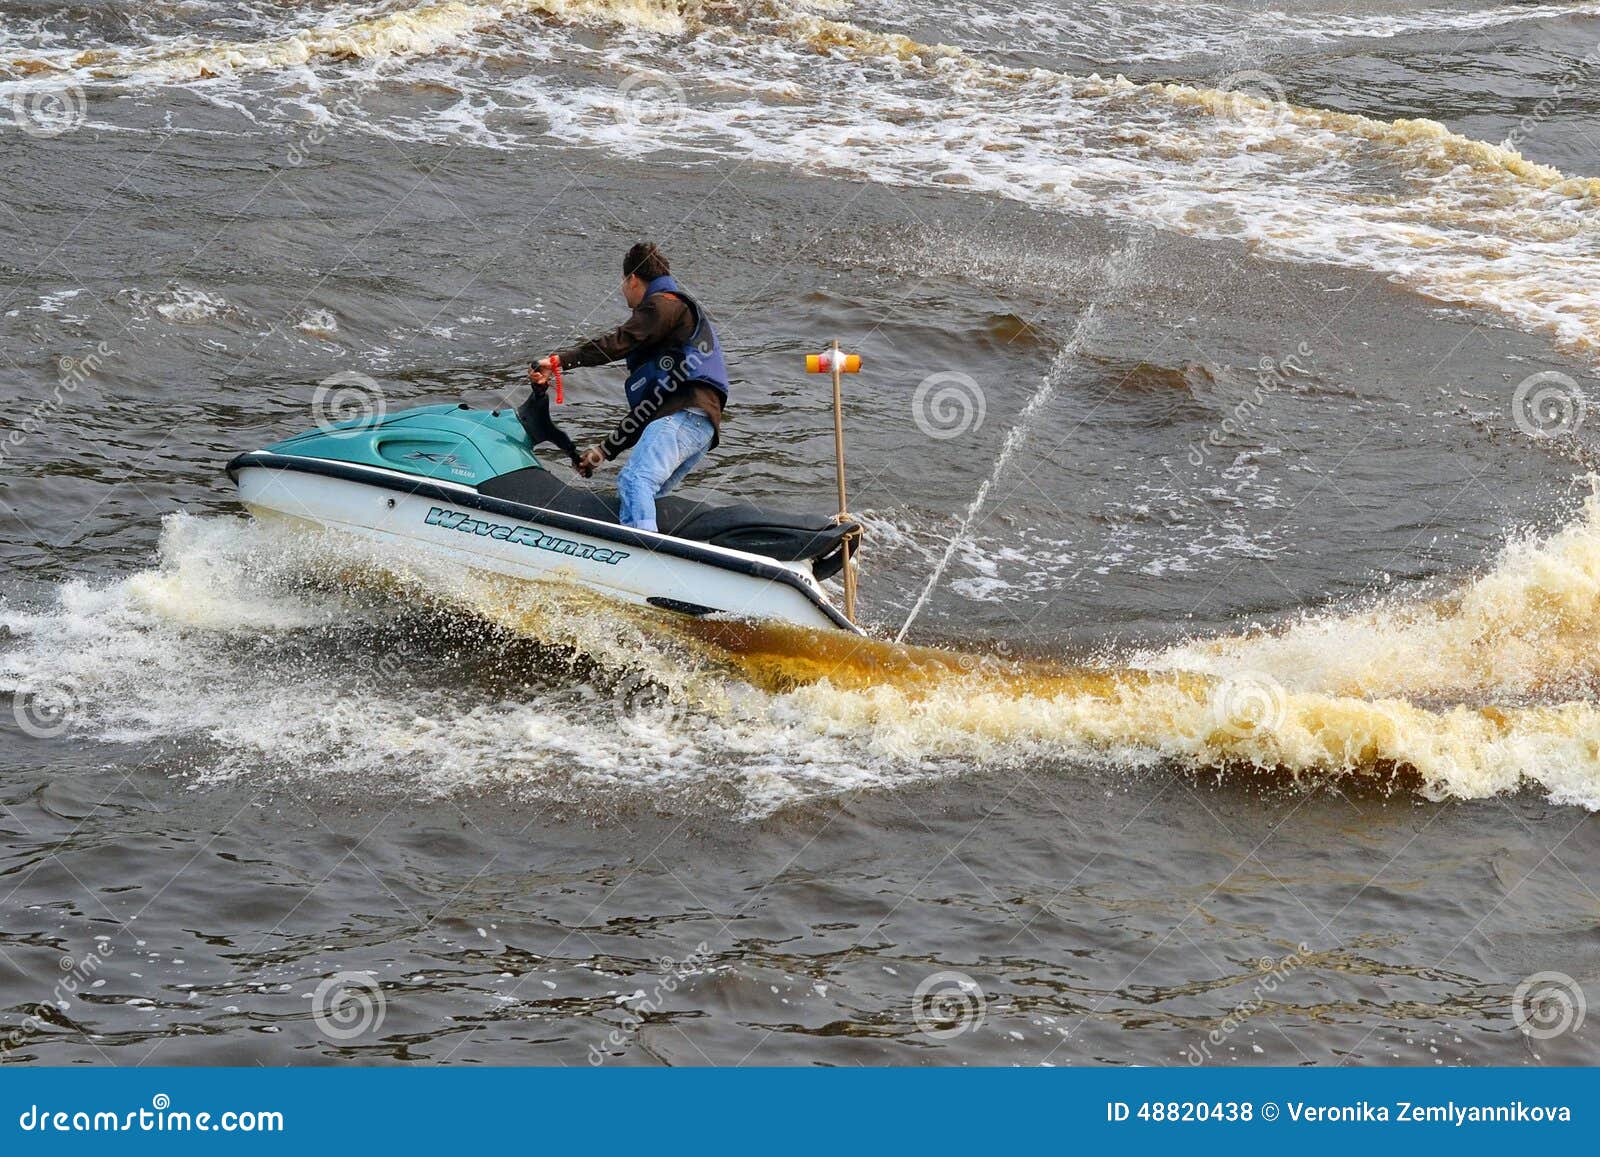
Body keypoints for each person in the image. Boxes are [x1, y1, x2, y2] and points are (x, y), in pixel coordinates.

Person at [529, 242, 729, 533]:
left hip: (685, 418)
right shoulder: (670, 346)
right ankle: (644, 548)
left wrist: (561, 361)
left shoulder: (665, 304)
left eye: (623, 283)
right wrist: (602, 452)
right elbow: (647, 413)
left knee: (634, 482)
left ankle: (641, 557)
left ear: (632, 279)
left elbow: (618, 342)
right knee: (642, 493)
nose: (623, 291)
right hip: (700, 427)